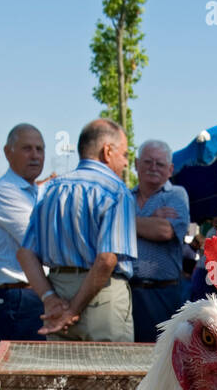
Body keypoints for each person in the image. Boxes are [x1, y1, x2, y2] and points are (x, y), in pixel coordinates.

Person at [17, 117, 136, 342]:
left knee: (61, 376)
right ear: (107, 151)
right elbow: (106, 260)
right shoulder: (117, 191)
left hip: (57, 295)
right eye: (125, 154)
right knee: (112, 375)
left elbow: (25, 253)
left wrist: (50, 298)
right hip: (102, 298)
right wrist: (73, 310)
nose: (126, 162)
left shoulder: (50, 189)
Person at [0, 124, 46, 342]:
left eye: (40, 149)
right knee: (28, 373)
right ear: (7, 152)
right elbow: (40, 242)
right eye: (27, 148)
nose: (35, 155)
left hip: (33, 296)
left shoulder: (36, 193)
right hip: (20, 299)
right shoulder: (4, 192)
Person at [128, 140, 189, 342]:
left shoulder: (176, 195)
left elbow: (164, 231)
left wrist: (124, 224)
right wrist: (148, 221)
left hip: (162, 295)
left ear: (170, 169)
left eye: (160, 164)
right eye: (147, 161)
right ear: (136, 164)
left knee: (158, 358)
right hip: (126, 293)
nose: (153, 167)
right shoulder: (125, 196)